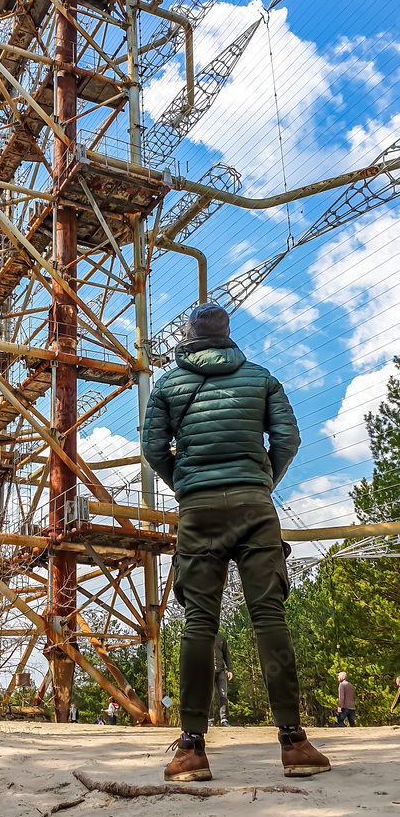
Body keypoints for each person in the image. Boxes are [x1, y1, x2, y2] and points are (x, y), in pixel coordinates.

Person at [142, 303, 331, 782]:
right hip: (254, 504)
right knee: (268, 613)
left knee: (199, 623)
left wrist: (187, 483)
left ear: (188, 335)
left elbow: (151, 447)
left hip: (197, 510)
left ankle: (190, 750)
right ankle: (294, 743)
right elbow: (288, 439)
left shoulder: (168, 385)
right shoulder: (262, 378)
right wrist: (261, 480)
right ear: (228, 335)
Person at [209, 632, 233, 727]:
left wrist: (230, 669)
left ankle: (224, 719)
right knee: (209, 696)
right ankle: (210, 720)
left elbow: (226, 654)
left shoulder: (221, 638)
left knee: (223, 695)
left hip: (221, 671)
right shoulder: (205, 637)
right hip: (208, 671)